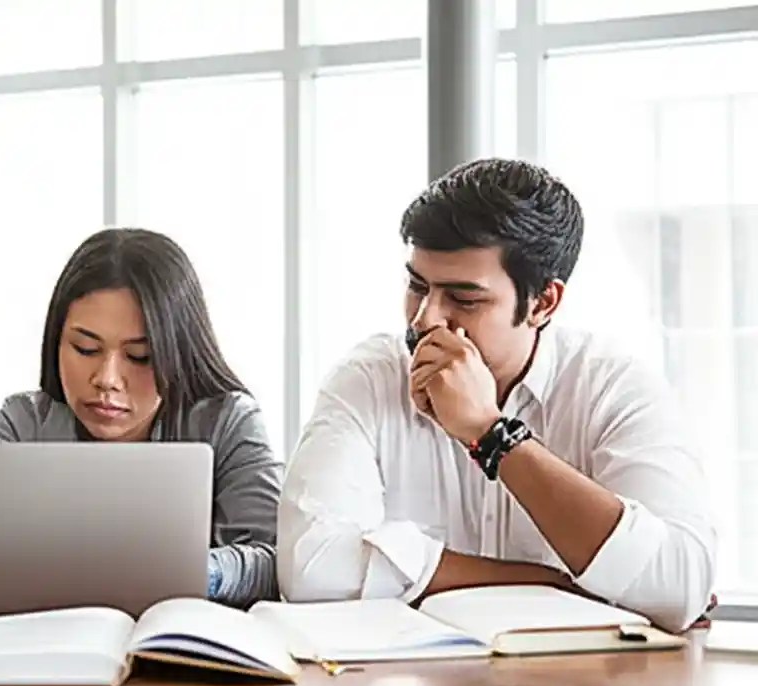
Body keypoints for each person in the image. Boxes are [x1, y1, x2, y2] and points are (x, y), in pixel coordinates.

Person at [278, 158, 715, 631]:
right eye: (417, 285)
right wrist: (548, 582)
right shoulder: (368, 378)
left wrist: (492, 434)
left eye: (464, 299)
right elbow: (311, 569)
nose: (425, 319)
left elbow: (682, 586)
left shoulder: (615, 387)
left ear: (543, 303)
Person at [0, 228, 282, 608]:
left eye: (140, 356)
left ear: (178, 351)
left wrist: (188, 573)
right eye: (86, 348)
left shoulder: (227, 422)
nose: (107, 379)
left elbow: (273, 561)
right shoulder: (24, 424)